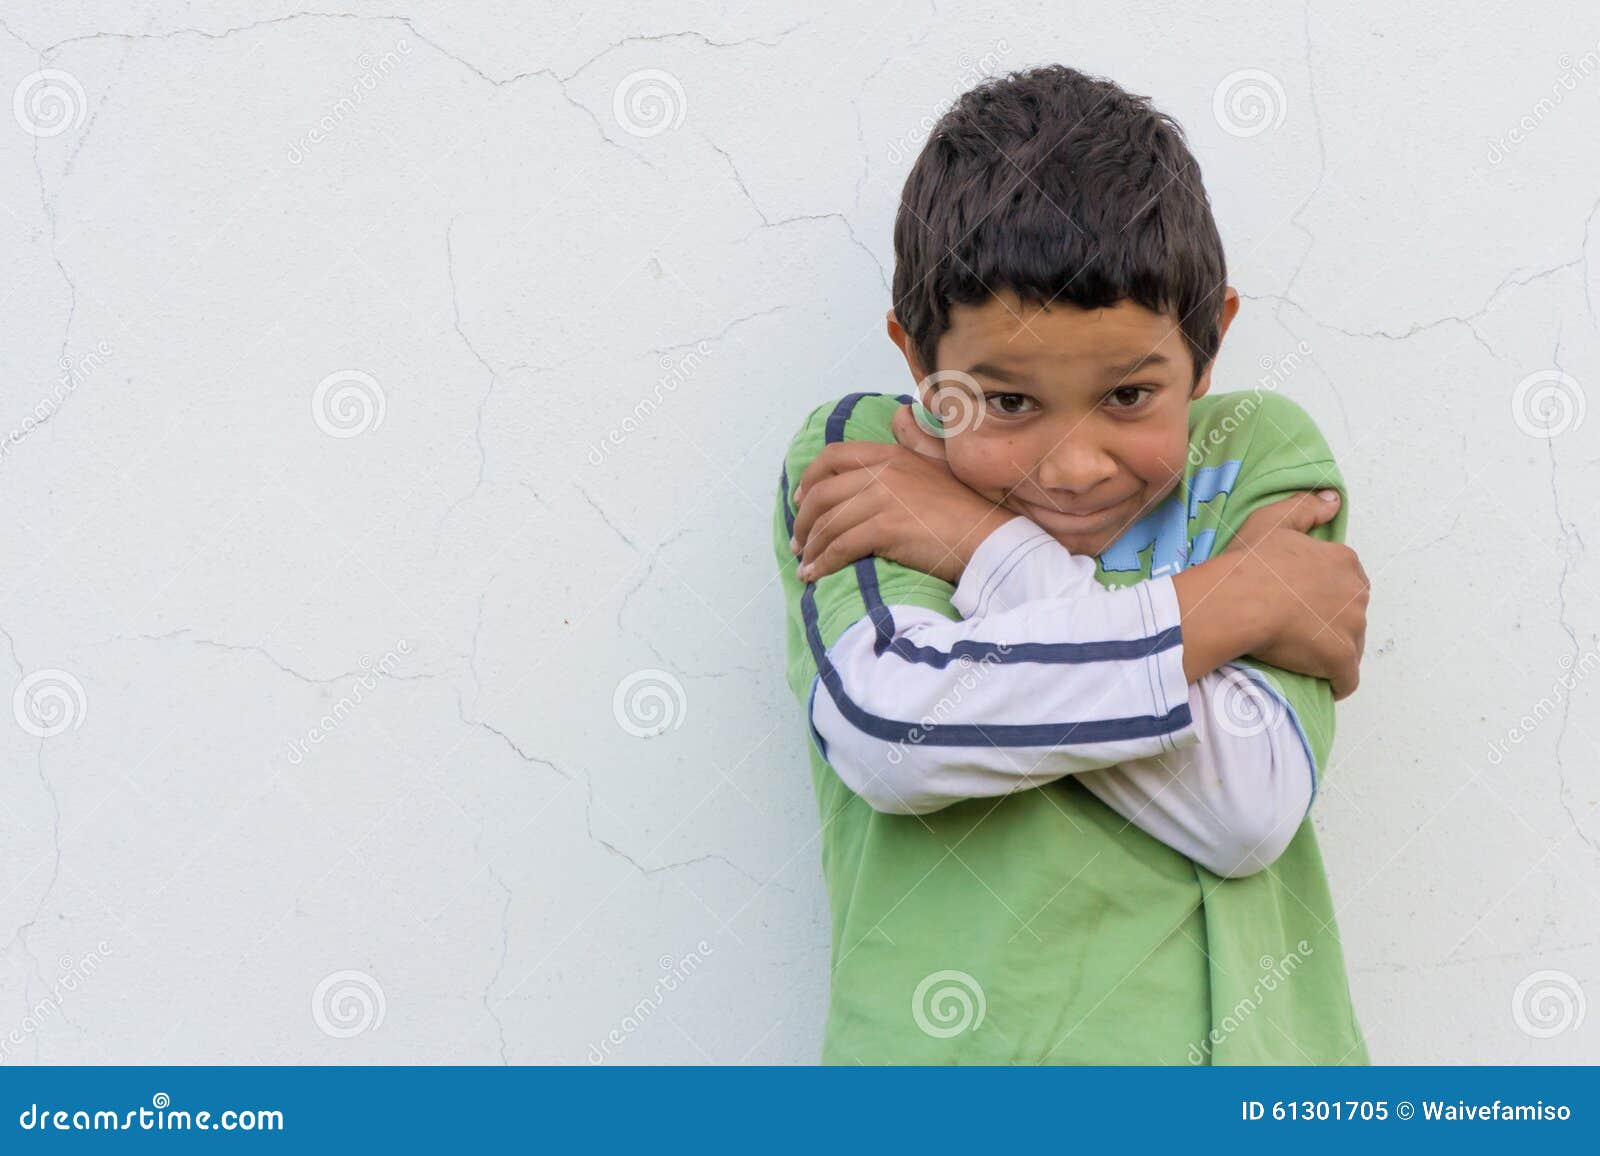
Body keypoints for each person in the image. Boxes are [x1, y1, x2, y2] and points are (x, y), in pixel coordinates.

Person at [772, 64, 1371, 1064]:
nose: (1075, 464)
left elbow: (1248, 805)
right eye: (1006, 403)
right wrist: (1234, 597)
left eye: (1130, 395)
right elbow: (895, 727)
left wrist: (981, 549)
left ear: (1210, 342)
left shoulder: (1259, 458)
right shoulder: (868, 455)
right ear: (919, 365)